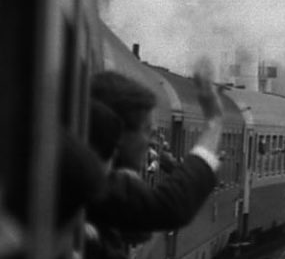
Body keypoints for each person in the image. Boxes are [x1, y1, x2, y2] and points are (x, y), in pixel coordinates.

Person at [87, 68, 223, 234]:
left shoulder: (96, 183)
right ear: (118, 132)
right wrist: (214, 122)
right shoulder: (102, 189)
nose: (151, 141)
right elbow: (172, 205)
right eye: (147, 130)